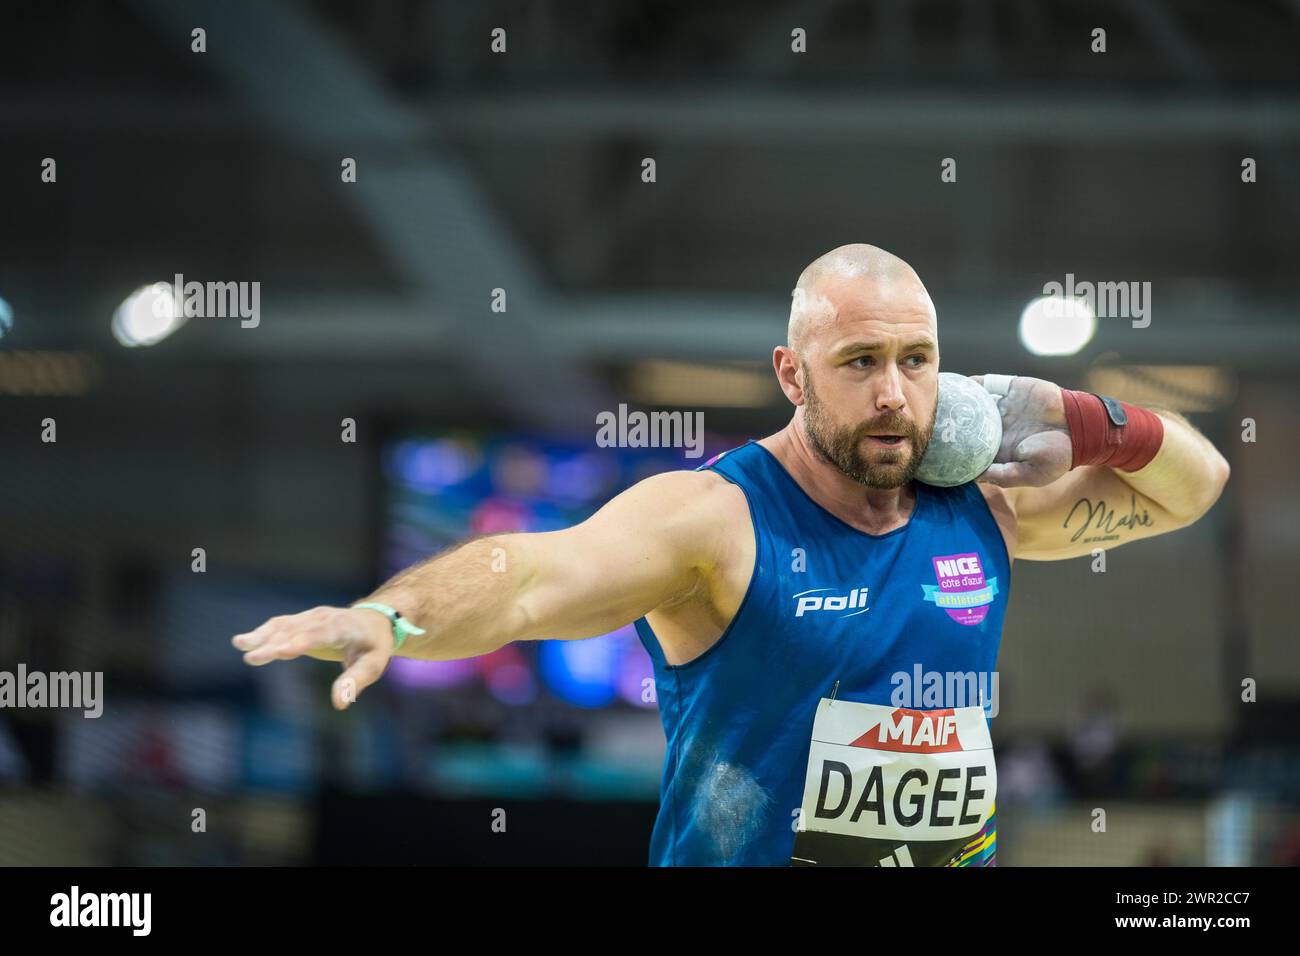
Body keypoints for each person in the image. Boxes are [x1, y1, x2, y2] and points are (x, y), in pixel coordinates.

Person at [232, 243, 1230, 866]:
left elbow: (1198, 485)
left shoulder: (980, 510)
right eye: (860, 362)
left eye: (915, 361)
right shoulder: (714, 519)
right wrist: (388, 618)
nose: (893, 393)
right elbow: (533, 574)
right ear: (792, 374)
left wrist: (1091, 420)